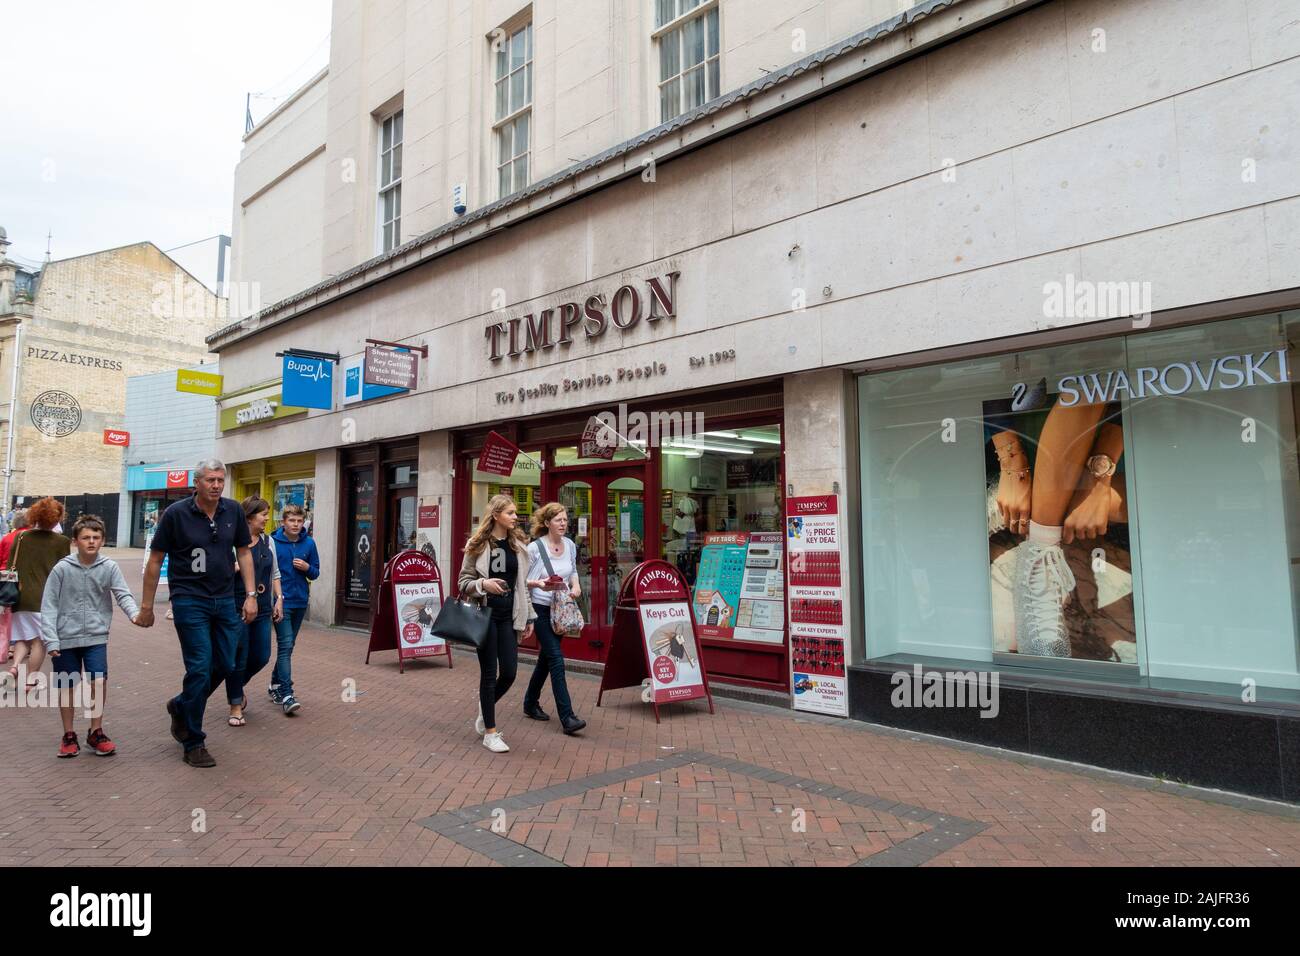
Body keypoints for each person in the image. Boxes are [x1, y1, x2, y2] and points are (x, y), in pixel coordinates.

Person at [138, 459, 258, 769]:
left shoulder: (232, 511)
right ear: (197, 482)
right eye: (210, 480)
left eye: (221, 479)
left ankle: (181, 705)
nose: (216, 485)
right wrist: (147, 606)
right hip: (190, 600)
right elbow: (154, 561)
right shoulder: (176, 515)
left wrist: (250, 595)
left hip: (224, 599)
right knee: (200, 667)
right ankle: (193, 741)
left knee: (227, 663)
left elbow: (243, 552)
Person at [41, 515, 142, 757]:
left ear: (103, 540)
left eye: (96, 537)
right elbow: (49, 605)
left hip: (96, 637)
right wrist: (51, 639)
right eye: (86, 537)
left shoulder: (109, 567)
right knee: (68, 685)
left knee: (98, 681)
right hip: (65, 638)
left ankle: (95, 732)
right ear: (76, 541)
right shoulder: (62, 569)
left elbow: (123, 594)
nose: (91, 542)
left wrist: (135, 614)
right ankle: (68, 734)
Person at [458, 494, 534, 754]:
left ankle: (485, 705)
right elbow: (463, 582)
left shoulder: (517, 545)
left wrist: (529, 617)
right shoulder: (477, 545)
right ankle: (490, 733)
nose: (515, 517)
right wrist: (482, 585)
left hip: (509, 617)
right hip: (485, 615)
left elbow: (522, 586)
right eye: (510, 513)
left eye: (515, 513)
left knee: (510, 672)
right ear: (496, 515)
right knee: (489, 674)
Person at [523, 503, 587, 735]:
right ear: (547, 522)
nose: (563, 523)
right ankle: (568, 717)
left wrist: (576, 586)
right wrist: (539, 583)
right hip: (540, 609)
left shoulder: (569, 545)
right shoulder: (534, 548)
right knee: (557, 660)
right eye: (558, 519)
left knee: (546, 660)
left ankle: (530, 702)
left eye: (565, 519)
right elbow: (521, 581)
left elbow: (573, 572)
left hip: (560, 612)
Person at [225, 497, 283, 727]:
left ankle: (236, 686)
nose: (267, 518)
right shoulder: (231, 543)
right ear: (249, 518)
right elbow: (217, 571)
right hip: (237, 607)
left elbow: (275, 573)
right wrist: (233, 567)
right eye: (263, 514)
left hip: (263, 608)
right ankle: (235, 705)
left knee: (261, 656)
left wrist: (279, 599)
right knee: (238, 657)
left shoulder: (269, 542)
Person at [8, 498, 71, 691]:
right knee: (39, 641)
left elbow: (12, 564)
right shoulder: (62, 542)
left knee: (22, 638)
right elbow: (65, 571)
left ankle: (14, 666)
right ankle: (30, 680)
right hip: (46, 599)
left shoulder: (21, 538)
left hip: (21, 595)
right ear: (57, 518)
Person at [270, 503, 319, 715]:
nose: (296, 525)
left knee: (288, 647)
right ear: (284, 522)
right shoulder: (273, 542)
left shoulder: (309, 543)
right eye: (292, 521)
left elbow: (315, 573)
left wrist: (307, 568)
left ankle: (274, 685)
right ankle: (287, 694)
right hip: (280, 603)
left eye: (299, 521)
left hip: (300, 602)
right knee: (285, 645)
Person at [0, 509, 29, 685]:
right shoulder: (29, 537)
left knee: (4, 618)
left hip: (3, 578)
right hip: (19, 580)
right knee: (17, 617)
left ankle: (3, 651)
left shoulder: (7, 537)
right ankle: (14, 646)